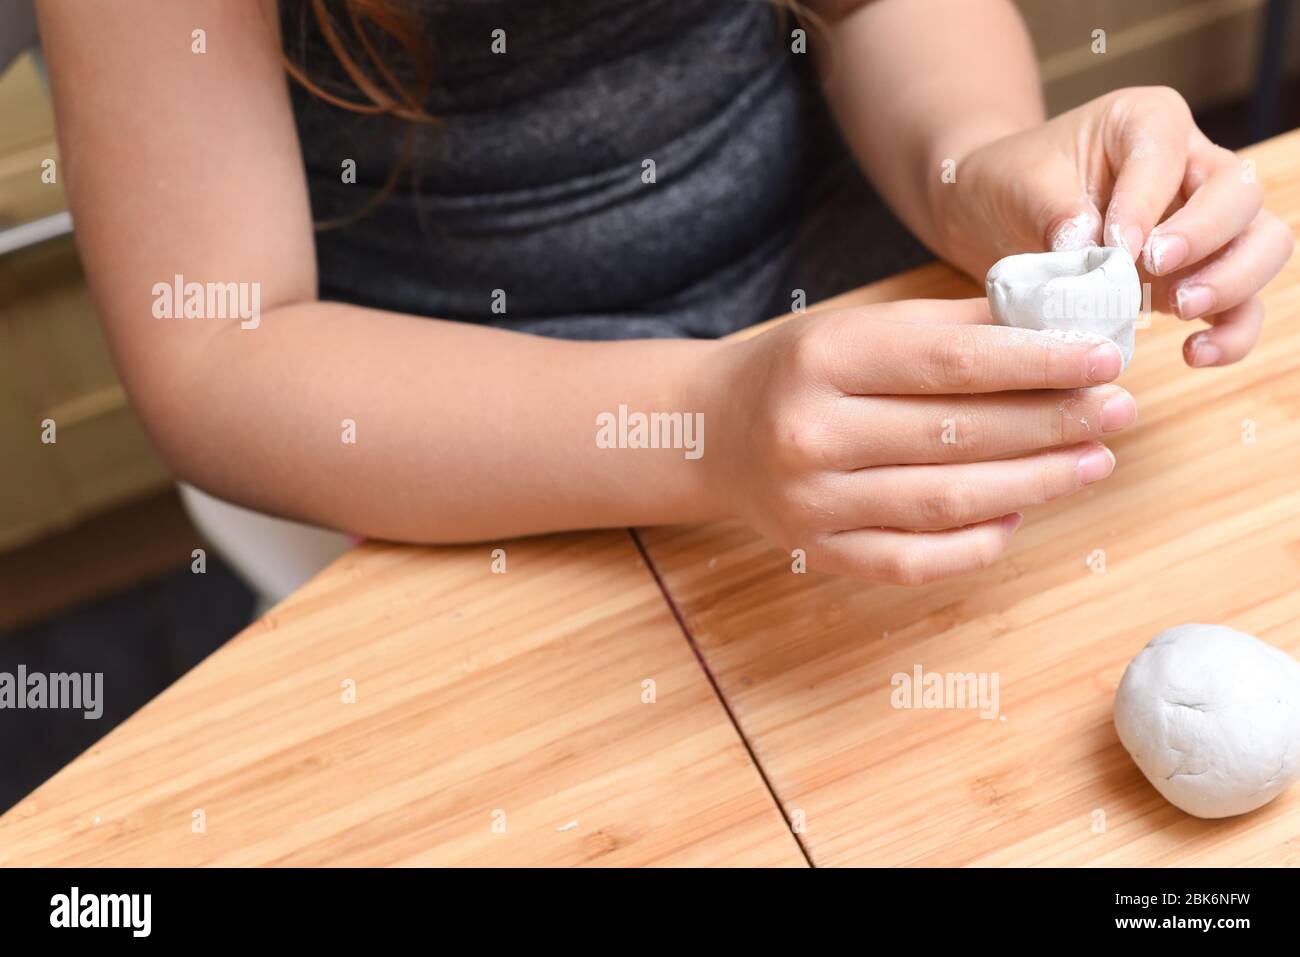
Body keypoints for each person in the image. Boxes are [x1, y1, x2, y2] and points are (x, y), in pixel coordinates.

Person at [34, 0, 1293, 587]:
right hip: (463, 436)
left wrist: (977, 165)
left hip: (836, 288)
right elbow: (223, 356)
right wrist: (700, 422)